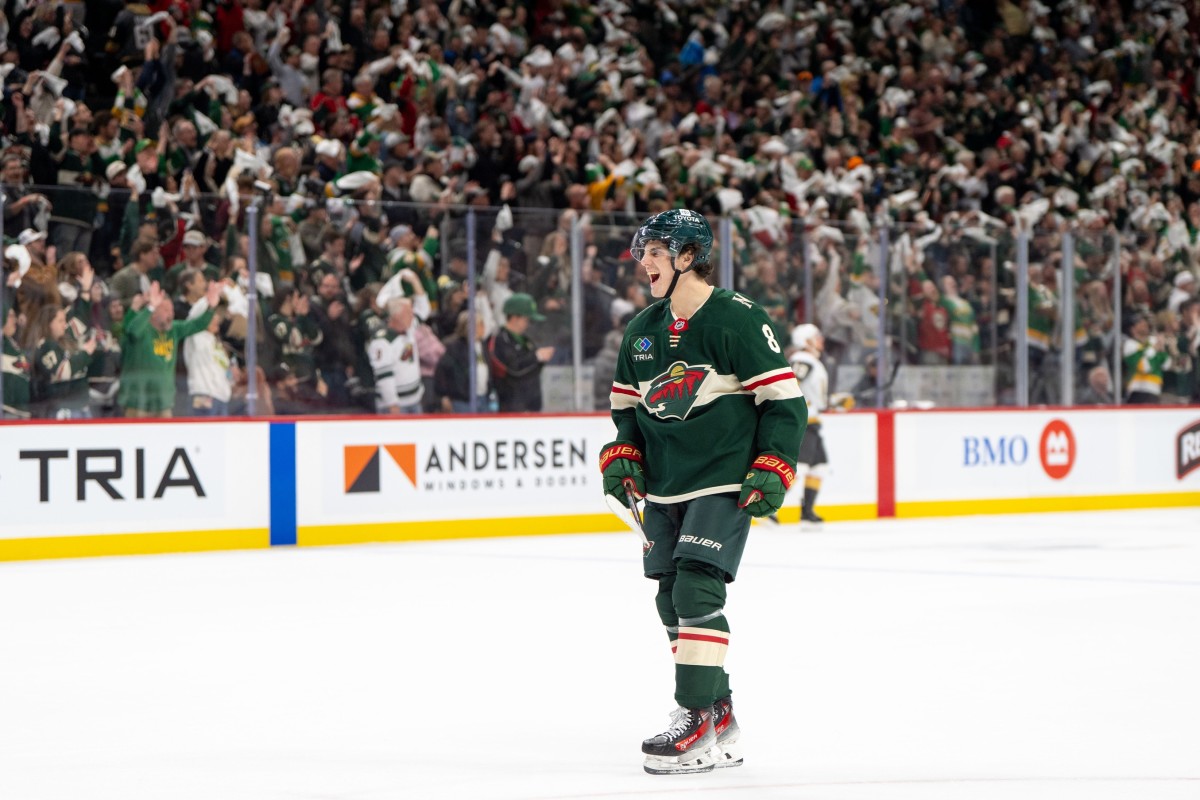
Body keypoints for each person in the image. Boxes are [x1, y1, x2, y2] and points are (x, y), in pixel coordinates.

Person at [599, 209, 807, 774]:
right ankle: (720, 714)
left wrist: (774, 463)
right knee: (669, 597)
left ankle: (692, 721)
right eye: (643, 252)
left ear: (687, 256)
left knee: (695, 591)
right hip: (665, 485)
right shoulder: (642, 330)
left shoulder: (736, 320)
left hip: (722, 479)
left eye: (655, 252)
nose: (644, 262)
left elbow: (785, 403)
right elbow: (626, 412)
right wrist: (623, 453)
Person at [119, 281, 221, 418]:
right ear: (153, 313)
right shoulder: (141, 329)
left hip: (163, 402)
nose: (171, 314)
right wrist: (150, 307)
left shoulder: (174, 329)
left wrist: (210, 308)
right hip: (138, 402)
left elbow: (197, 325)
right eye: (166, 310)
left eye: (172, 310)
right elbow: (132, 331)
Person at [787, 323, 831, 523]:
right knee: (799, 467)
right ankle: (769, 508)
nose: (820, 340)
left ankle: (807, 512)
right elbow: (791, 384)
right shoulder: (802, 359)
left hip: (813, 422)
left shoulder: (812, 360)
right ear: (806, 341)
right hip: (803, 423)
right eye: (816, 336)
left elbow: (811, 394)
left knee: (819, 467)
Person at [487, 293, 555, 412]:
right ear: (514, 318)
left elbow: (532, 370)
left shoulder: (526, 341)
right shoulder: (500, 340)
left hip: (531, 405)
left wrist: (541, 359)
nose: (528, 324)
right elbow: (513, 369)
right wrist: (536, 356)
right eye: (526, 320)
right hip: (511, 407)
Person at [368, 297, 424, 414]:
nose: (412, 316)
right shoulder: (382, 342)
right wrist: (392, 404)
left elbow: (424, 310)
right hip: (396, 407)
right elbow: (384, 377)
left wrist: (413, 279)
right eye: (409, 313)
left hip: (415, 400)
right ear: (398, 316)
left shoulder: (409, 330)